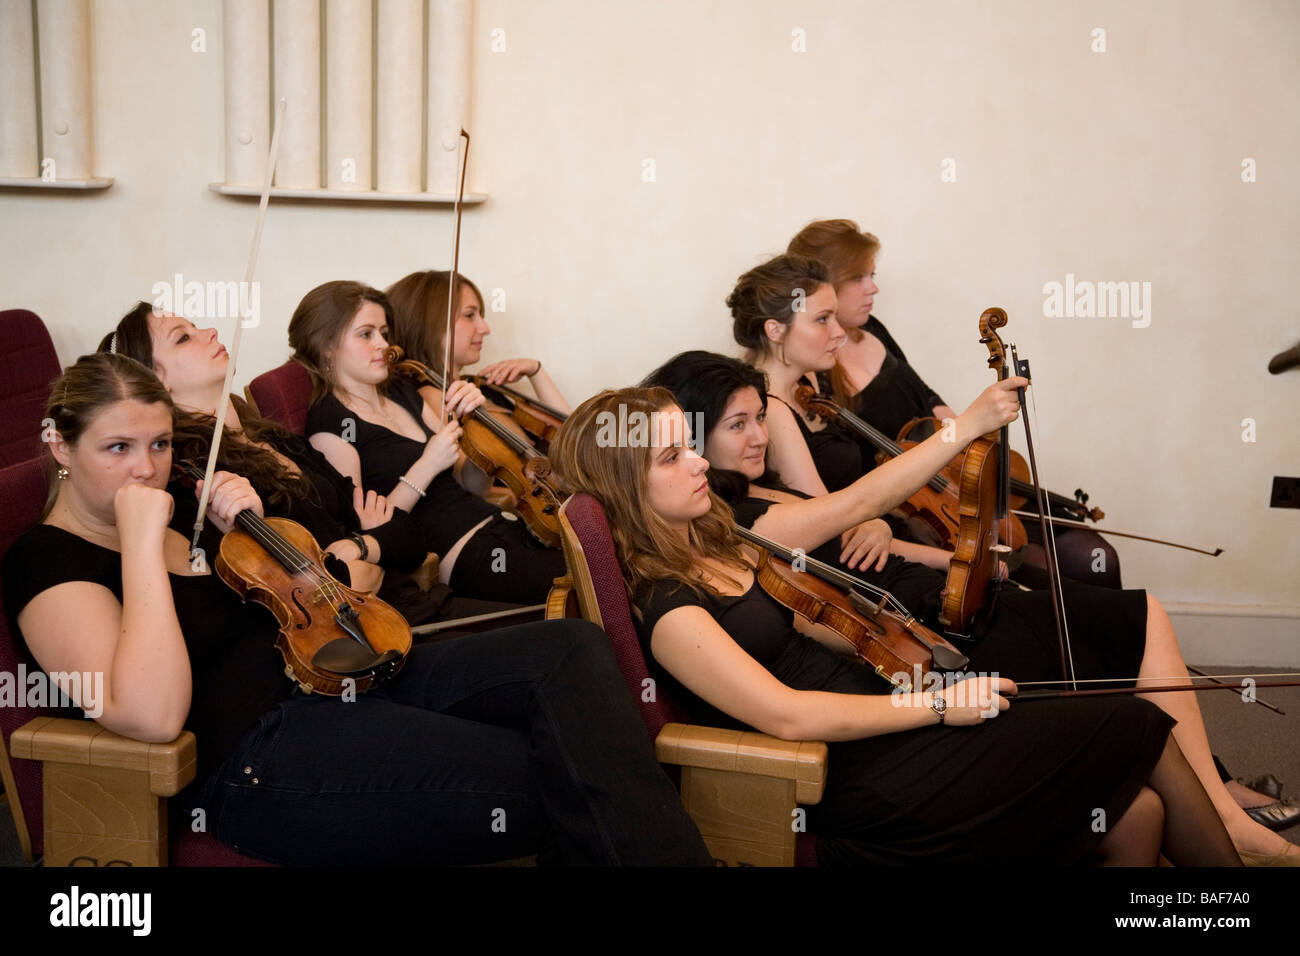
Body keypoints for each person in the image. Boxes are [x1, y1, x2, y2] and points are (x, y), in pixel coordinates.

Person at [2, 353, 711, 866]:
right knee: (550, 772)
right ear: (60, 447)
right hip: (259, 761)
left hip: (336, 672)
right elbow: (151, 714)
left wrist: (245, 525)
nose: (145, 468)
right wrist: (137, 543)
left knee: (572, 648)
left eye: (158, 445)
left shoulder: (182, 508)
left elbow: (302, 584)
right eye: (117, 448)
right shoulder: (49, 560)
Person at [640, 349, 1300, 861]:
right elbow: (784, 713)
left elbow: (814, 606)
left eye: (759, 419)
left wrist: (881, 623)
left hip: (894, 691)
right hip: (863, 766)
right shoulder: (691, 581)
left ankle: (1218, 817)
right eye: (680, 454)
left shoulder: (722, 540)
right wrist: (933, 698)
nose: (703, 461)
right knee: (1129, 723)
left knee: (1140, 813)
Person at [96, 302, 517, 627]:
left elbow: (406, 536)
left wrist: (361, 545)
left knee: (563, 629)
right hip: (371, 634)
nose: (209, 331)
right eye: (183, 338)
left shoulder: (275, 438)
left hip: (414, 603)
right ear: (155, 380)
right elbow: (295, 591)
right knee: (563, 645)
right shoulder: (197, 476)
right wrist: (362, 550)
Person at [786, 219, 1121, 587]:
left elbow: (925, 396)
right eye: (858, 278)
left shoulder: (873, 330)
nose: (873, 287)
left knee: (1095, 555)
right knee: (1048, 571)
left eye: (872, 274)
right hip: (924, 507)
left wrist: (969, 437)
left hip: (956, 475)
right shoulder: (816, 372)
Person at [290, 281, 567, 605]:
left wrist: (478, 429)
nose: (382, 344)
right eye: (366, 334)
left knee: (602, 565)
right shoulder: (331, 426)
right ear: (326, 345)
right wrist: (427, 464)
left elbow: (473, 483)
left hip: (497, 524)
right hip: (460, 554)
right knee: (582, 584)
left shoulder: (403, 392)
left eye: (383, 332)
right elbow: (366, 531)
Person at [386, 269, 572, 427]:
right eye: (469, 315)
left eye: (480, 315)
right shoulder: (423, 399)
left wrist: (536, 371)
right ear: (428, 323)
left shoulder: (482, 390)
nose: (485, 329)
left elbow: (572, 440)